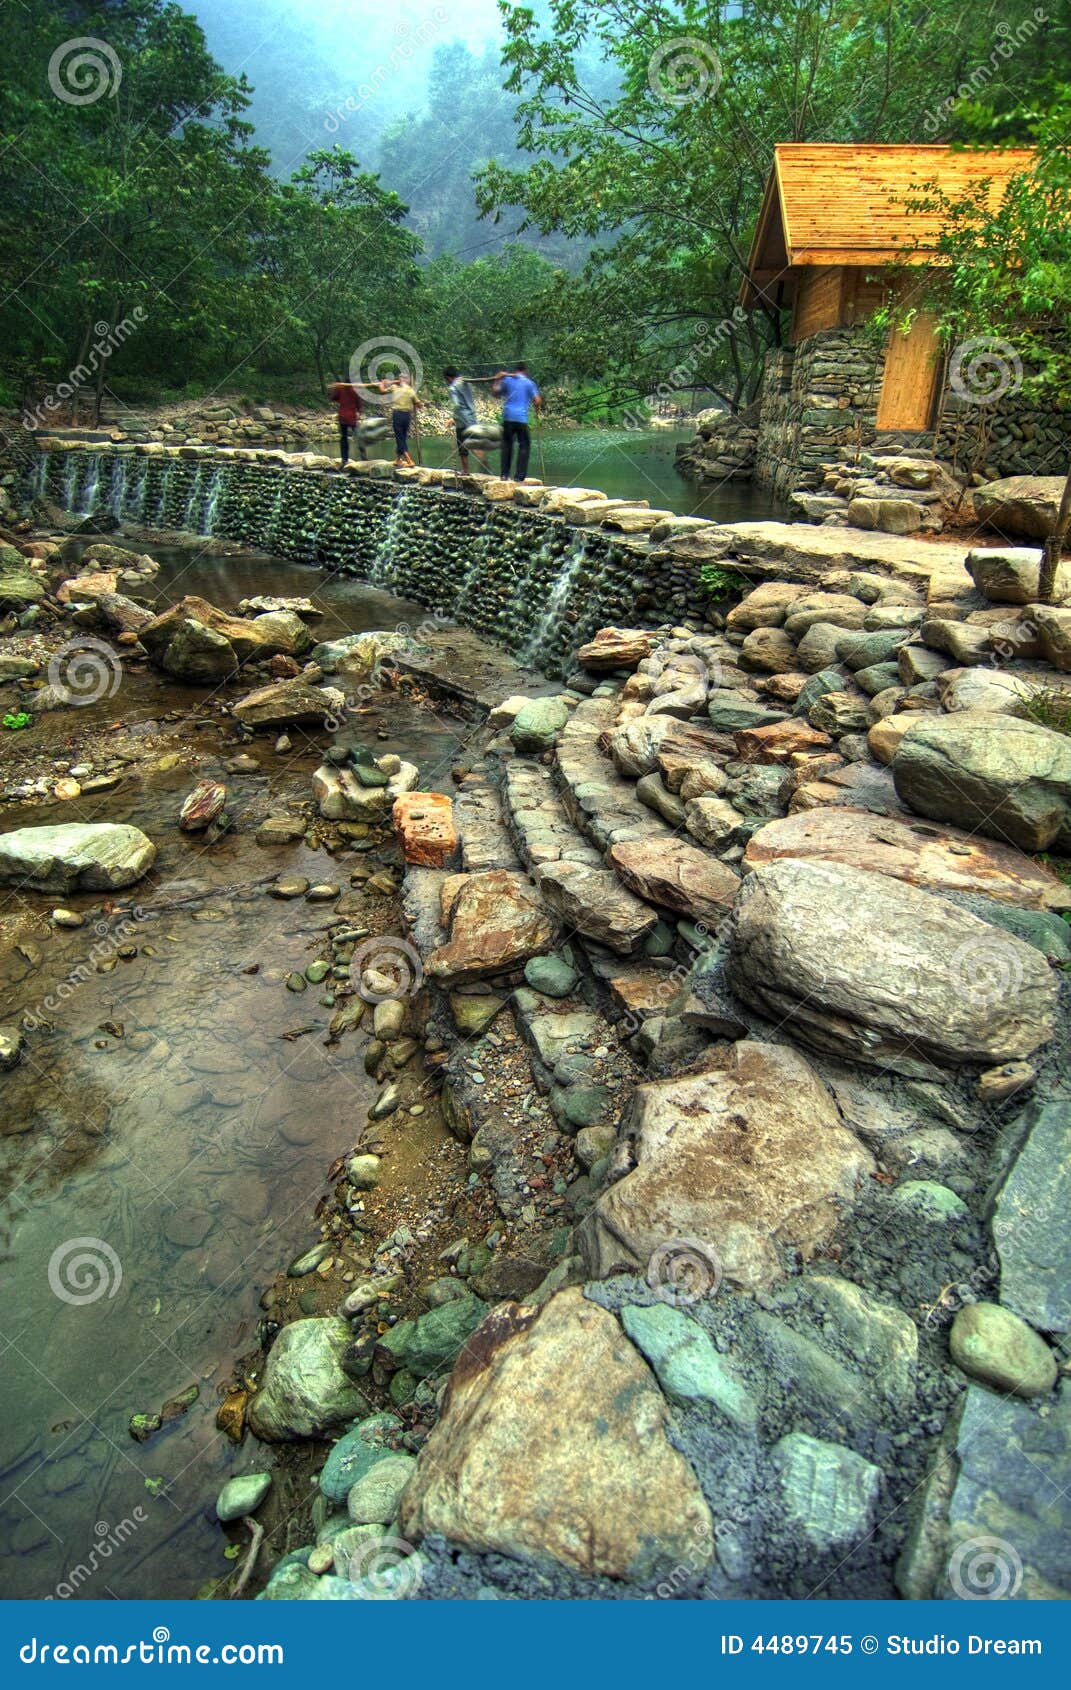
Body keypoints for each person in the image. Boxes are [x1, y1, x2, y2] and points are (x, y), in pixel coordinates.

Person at [493, 361, 541, 480]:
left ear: (515, 370)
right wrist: (536, 406)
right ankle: (519, 477)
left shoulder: (507, 380)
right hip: (521, 419)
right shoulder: (529, 383)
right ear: (525, 371)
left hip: (508, 417)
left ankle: (504, 474)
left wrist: (497, 379)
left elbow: (495, 393)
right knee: (524, 446)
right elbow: (537, 400)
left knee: (507, 445)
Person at [443, 366, 488, 471]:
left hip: (462, 420)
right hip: (472, 417)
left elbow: (456, 405)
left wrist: (453, 418)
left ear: (448, 378)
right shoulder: (465, 383)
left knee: (462, 446)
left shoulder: (452, 388)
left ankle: (466, 471)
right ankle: (485, 466)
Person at [380, 373, 419, 466]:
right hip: (407, 416)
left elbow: (382, 391)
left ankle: (409, 461)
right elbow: (418, 403)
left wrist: (381, 383)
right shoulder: (410, 390)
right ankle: (398, 459)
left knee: (399, 438)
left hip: (397, 415)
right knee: (403, 437)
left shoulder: (394, 387)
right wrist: (415, 405)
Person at [328, 379, 362, 464]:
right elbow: (358, 404)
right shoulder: (355, 390)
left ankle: (344, 459)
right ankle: (363, 457)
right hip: (352, 417)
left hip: (343, 417)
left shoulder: (340, 389)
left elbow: (332, 398)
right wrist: (359, 412)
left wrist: (335, 389)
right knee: (358, 437)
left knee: (344, 438)